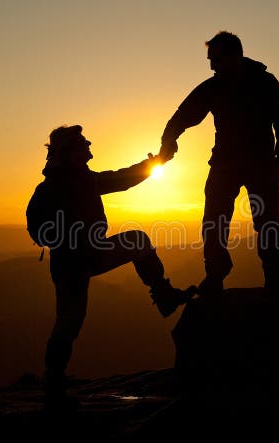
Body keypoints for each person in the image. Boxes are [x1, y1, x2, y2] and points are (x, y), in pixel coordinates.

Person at [29, 125, 193, 412]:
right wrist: (70, 241)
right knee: (69, 323)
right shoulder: (54, 188)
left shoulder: (81, 181)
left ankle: (164, 295)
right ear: (70, 153)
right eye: (83, 145)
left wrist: (157, 162)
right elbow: (38, 229)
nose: (89, 148)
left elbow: (123, 178)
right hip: (73, 264)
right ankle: (53, 387)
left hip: (87, 255)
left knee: (136, 241)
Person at [159, 31, 279, 296]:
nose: (211, 66)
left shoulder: (265, 83)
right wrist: (168, 142)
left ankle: (276, 278)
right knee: (214, 221)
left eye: (215, 59)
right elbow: (182, 116)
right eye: (210, 60)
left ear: (235, 56)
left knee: (267, 222)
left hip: (261, 165)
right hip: (224, 165)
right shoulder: (213, 87)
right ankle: (216, 275)